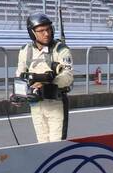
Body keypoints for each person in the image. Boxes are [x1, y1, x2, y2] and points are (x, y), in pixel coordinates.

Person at [14, 11, 73, 142]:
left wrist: (48, 82)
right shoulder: (25, 50)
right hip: (35, 104)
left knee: (56, 145)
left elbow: (68, 76)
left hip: (56, 103)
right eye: (41, 31)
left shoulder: (60, 49)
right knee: (41, 143)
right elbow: (19, 75)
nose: (46, 34)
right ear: (32, 33)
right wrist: (18, 94)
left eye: (48, 29)